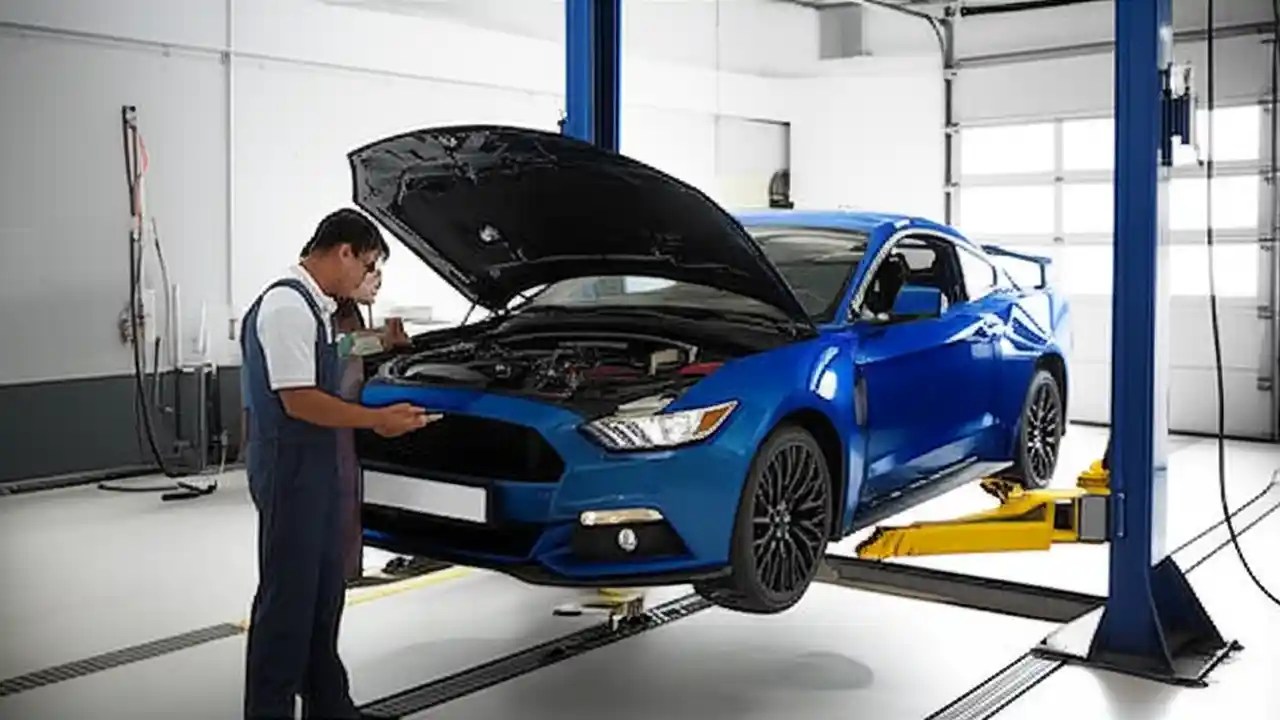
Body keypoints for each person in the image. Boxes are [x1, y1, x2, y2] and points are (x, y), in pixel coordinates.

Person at [239, 208, 435, 720]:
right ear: (342, 250)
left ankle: (331, 707)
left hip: (320, 467)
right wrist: (376, 420)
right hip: (290, 470)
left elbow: (338, 348)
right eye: (367, 264)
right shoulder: (286, 305)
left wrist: (386, 343)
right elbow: (299, 399)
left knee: (324, 598)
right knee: (287, 602)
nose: (365, 278)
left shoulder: (317, 308)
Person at [331, 268, 411, 583]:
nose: (377, 281)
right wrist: (381, 339)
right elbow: (337, 347)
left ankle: (348, 571)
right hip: (331, 418)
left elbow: (349, 345)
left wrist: (385, 340)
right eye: (370, 270)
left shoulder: (349, 310)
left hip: (348, 416)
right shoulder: (322, 307)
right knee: (337, 494)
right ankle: (339, 572)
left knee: (349, 493)